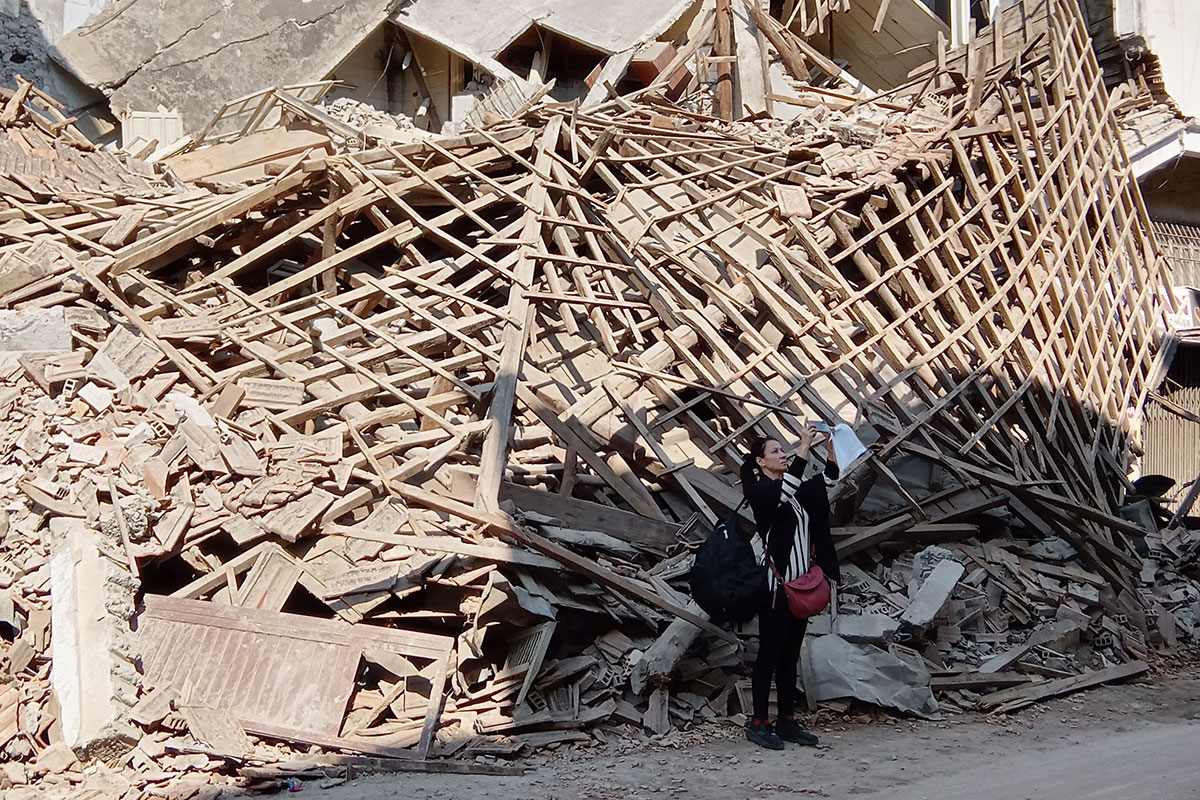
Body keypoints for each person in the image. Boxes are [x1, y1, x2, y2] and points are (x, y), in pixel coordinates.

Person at [739, 425, 841, 750]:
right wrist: (803, 447)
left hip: (801, 586)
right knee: (768, 656)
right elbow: (788, 486)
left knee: (790, 656)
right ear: (760, 462)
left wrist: (830, 449)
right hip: (776, 590)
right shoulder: (762, 492)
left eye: (784, 450)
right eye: (775, 452)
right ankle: (758, 723)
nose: (782, 455)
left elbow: (829, 480)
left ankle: (786, 721)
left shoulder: (795, 492)